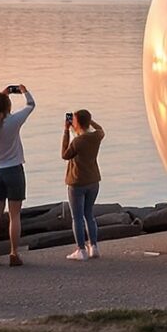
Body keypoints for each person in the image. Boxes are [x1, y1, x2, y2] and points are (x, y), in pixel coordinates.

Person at [0, 84, 35, 267]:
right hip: (13, 171)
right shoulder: (13, 121)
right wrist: (24, 91)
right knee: (14, 215)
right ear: (8, 106)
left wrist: (3, 94)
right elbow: (31, 105)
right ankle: (13, 252)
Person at [62, 107, 105, 261]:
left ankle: (81, 249)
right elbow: (100, 129)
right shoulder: (97, 136)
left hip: (77, 182)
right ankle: (94, 247)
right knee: (89, 214)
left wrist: (66, 131)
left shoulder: (78, 141)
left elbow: (65, 155)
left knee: (77, 217)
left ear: (77, 123)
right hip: (93, 180)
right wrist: (89, 121)